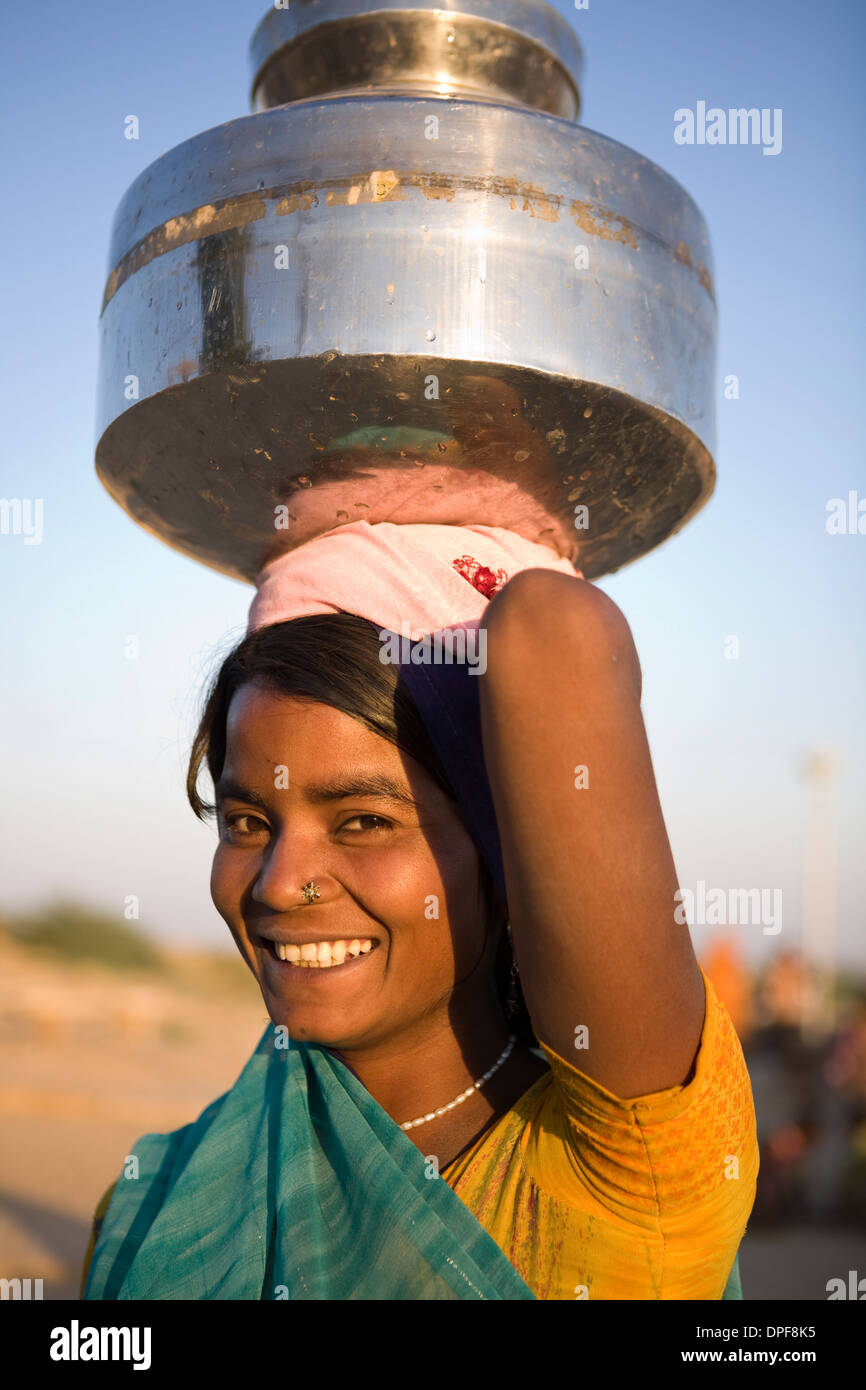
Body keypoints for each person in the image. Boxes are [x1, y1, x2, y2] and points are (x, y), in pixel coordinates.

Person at [81, 520, 757, 1300]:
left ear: (505, 864)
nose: (277, 883)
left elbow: (552, 628)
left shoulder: (621, 1170)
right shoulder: (149, 1206)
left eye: (363, 821)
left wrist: (418, 516)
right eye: (247, 823)